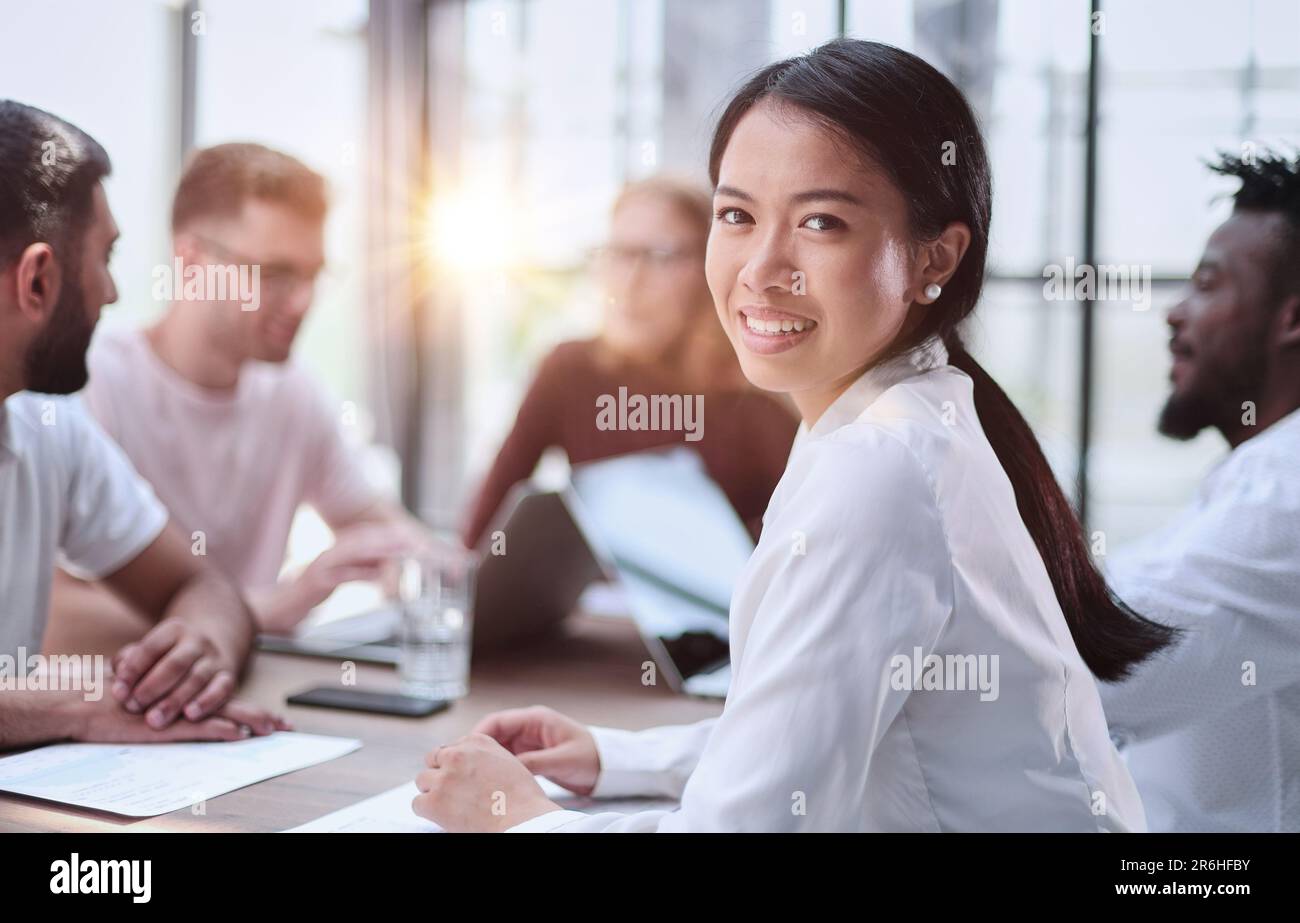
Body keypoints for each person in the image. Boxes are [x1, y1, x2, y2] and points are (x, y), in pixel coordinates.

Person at [408, 40, 1177, 832]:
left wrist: (515, 817)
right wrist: (615, 756)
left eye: (821, 222)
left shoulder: (880, 468)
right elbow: (811, 725)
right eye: (737, 215)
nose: (763, 268)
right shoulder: (899, 418)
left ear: (933, 259)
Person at [48, 142, 433, 639]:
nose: (301, 302)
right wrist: (262, 610)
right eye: (275, 274)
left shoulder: (292, 393)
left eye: (313, 276)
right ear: (190, 262)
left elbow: (383, 530)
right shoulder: (91, 387)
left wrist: (449, 573)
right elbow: (59, 621)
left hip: (252, 685)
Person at [0, 100, 285, 747]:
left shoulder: (49, 425)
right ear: (38, 280)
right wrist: (71, 705)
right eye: (106, 257)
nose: (112, 292)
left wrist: (197, 651)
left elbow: (202, 582)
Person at [1096, 150, 1300, 832]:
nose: (1176, 314)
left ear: (1292, 319)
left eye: (1210, 285)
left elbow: (1105, 659)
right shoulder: (1259, 474)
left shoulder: (1288, 486)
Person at [460, 176, 798, 548]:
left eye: (660, 257)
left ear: (711, 268)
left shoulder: (755, 392)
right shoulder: (570, 371)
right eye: (619, 254)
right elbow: (483, 533)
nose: (630, 282)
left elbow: (798, 551)